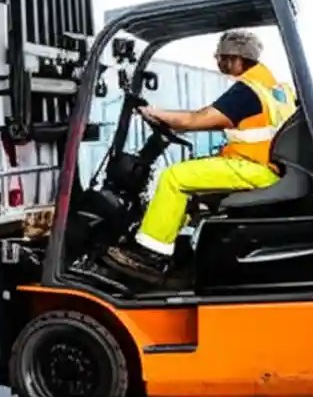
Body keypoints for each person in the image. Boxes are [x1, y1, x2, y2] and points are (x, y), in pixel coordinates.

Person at [104, 29, 297, 283]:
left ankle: (150, 255)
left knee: (175, 177)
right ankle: (170, 248)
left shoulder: (248, 91)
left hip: (257, 169)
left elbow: (198, 119)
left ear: (238, 59)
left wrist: (156, 113)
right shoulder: (276, 89)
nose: (219, 64)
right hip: (268, 167)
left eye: (223, 58)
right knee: (192, 183)